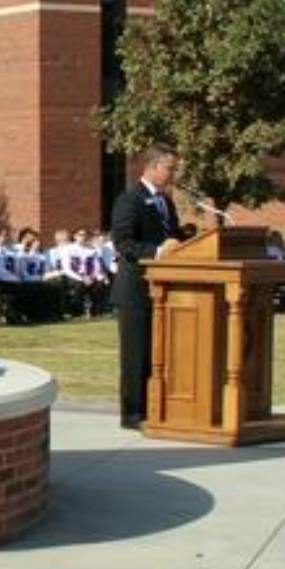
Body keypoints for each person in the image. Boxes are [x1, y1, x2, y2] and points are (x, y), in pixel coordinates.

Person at [110, 146, 182, 429]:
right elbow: (125, 244)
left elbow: (172, 237)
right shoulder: (130, 200)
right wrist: (158, 252)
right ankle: (132, 414)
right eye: (170, 168)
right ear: (152, 167)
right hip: (135, 292)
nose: (173, 174)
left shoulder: (167, 202)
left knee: (159, 355)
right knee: (136, 356)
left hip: (165, 292)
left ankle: (158, 407)